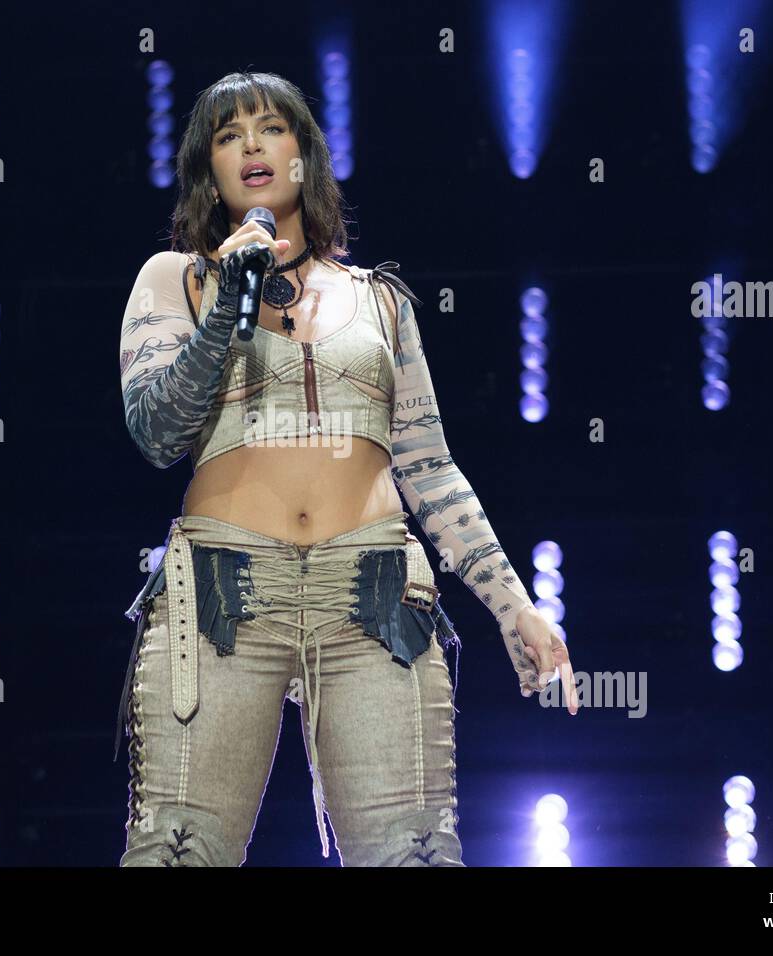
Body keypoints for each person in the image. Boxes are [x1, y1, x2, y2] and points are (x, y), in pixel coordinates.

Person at [115, 71, 576, 867]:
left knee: (416, 854)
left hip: (374, 597)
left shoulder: (380, 301)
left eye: (270, 128)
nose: (251, 146)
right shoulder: (176, 279)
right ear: (208, 169)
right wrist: (228, 299)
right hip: (225, 595)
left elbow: (430, 467)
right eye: (228, 136)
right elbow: (158, 431)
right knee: (177, 854)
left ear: (304, 156)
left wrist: (514, 605)